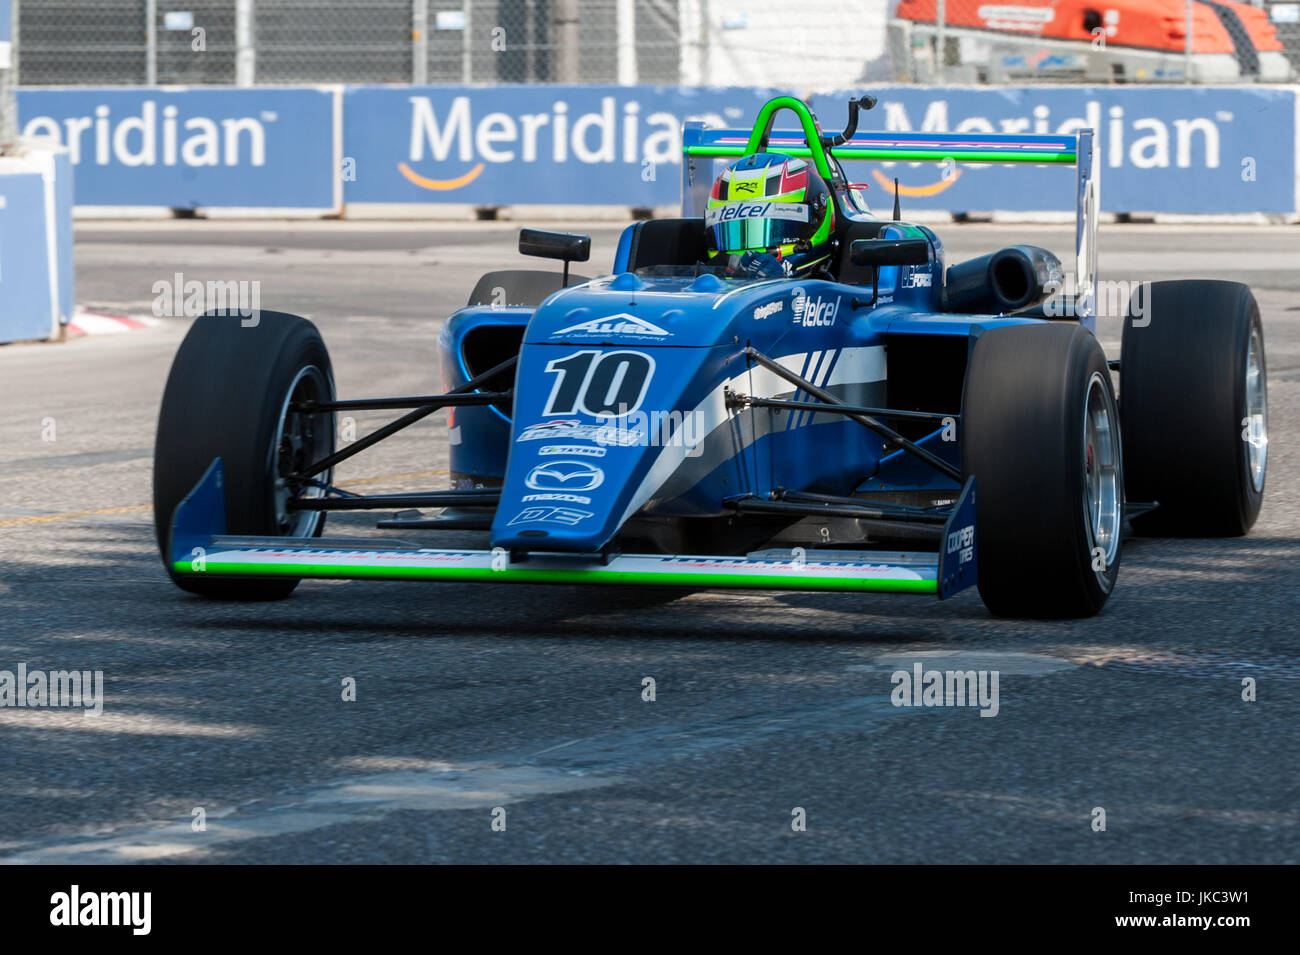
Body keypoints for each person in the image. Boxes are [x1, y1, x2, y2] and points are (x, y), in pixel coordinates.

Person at [704, 152, 836, 280]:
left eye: (776, 229)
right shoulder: (701, 286)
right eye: (733, 233)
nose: (747, 254)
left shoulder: (842, 297)